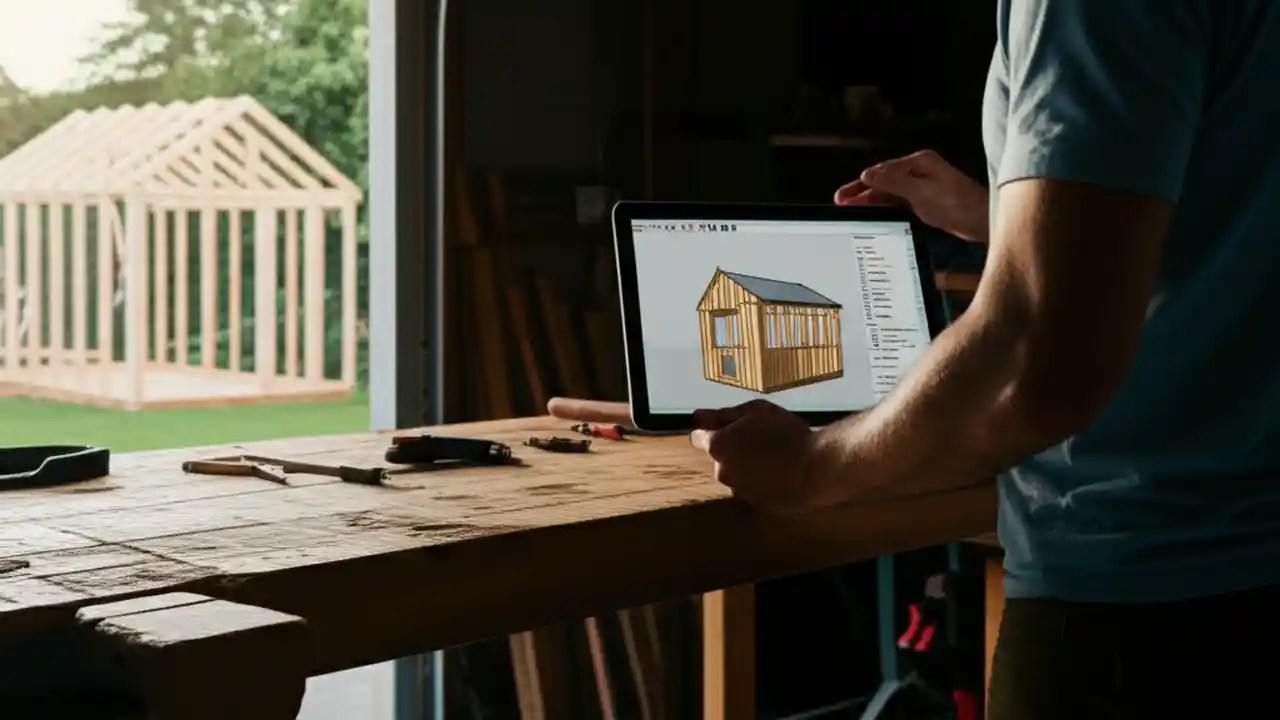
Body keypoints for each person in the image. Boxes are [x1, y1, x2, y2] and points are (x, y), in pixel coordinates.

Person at [558, 1, 1280, 716]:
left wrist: (812, 465)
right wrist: (1013, 223)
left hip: (1149, 593)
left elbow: (1032, 362)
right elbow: (1228, 219)